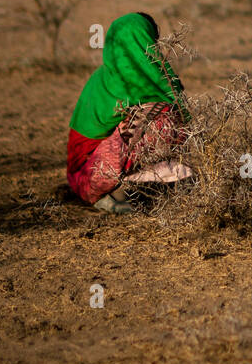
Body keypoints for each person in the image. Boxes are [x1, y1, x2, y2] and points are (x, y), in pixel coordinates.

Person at [66, 12, 192, 213]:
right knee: (164, 117)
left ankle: (142, 183)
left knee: (163, 115)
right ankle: (122, 190)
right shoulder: (157, 79)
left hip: (81, 176)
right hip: (90, 176)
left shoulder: (104, 76)